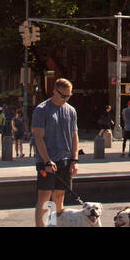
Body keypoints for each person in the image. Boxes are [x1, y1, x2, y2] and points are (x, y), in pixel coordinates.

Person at [32, 78, 79, 228]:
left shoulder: (71, 110)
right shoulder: (41, 110)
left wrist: (74, 160)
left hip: (65, 159)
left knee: (59, 197)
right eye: (63, 95)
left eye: (69, 96)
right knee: (45, 199)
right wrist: (46, 160)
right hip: (46, 160)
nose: (66, 99)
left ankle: (58, 225)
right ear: (54, 91)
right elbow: (38, 137)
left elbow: (74, 136)